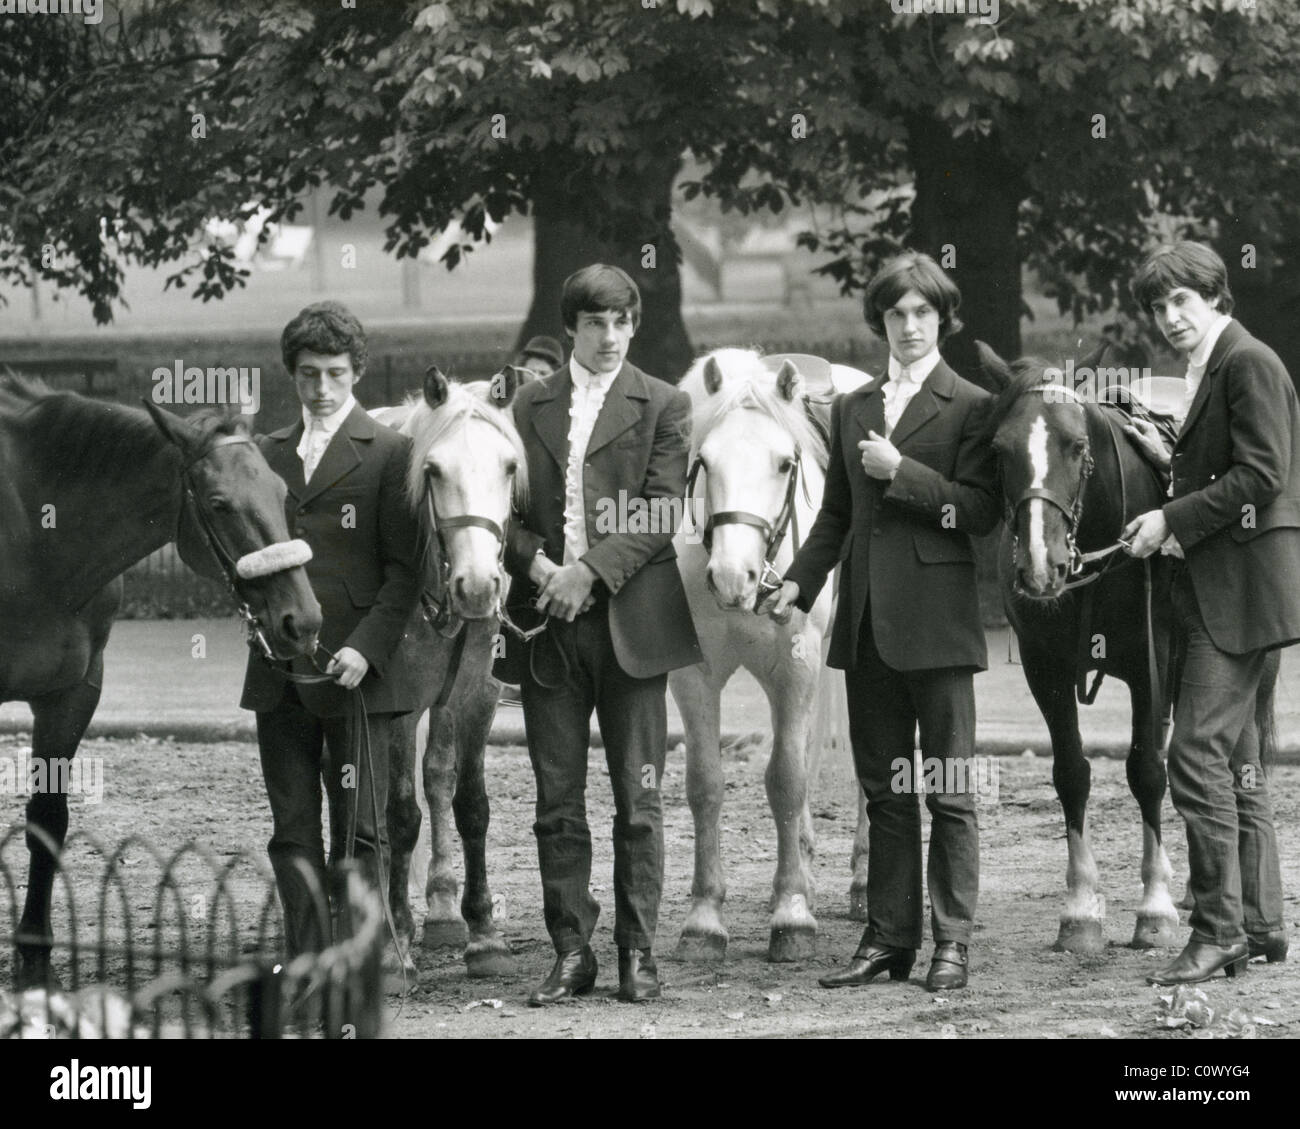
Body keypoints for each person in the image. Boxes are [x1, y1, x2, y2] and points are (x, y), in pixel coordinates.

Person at [765, 252, 999, 992]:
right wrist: (798, 585)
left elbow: (982, 512)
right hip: (865, 629)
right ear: (881, 322)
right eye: (895, 314)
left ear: (942, 319)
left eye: (921, 313)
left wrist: (905, 474)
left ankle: (951, 941)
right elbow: (835, 514)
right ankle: (889, 938)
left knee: (949, 790)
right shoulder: (855, 406)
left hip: (939, 627)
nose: (908, 326)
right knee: (886, 795)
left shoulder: (971, 403)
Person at [496, 264, 701, 1005]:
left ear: (634, 324)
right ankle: (571, 948)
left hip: (631, 625)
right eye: (593, 323)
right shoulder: (529, 404)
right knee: (557, 799)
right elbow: (502, 509)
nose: (609, 337)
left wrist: (588, 571)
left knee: (638, 798)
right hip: (549, 623)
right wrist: (541, 564)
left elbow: (659, 510)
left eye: (620, 322)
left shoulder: (664, 404)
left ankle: (637, 952)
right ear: (571, 329)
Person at [1123, 241, 1297, 984]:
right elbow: (1229, 467)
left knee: (1192, 754)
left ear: (1216, 296)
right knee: (1236, 761)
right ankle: (1260, 924)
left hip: (1240, 591)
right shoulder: (1216, 366)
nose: (1170, 318)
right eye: (1160, 308)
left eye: (1182, 301)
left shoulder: (1246, 361)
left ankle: (1217, 929)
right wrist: (1168, 465)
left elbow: (1264, 471)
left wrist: (1171, 519)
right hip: (1230, 587)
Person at [241, 301, 422, 965]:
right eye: (309, 374)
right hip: (280, 670)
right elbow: (249, 560)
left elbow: (407, 573)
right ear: (292, 374)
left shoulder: (392, 452)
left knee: (362, 829)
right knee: (291, 830)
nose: (321, 388)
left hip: (357, 675)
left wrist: (365, 648)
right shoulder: (265, 454)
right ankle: (306, 957)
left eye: (335, 374)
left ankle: (362, 957)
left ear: (358, 372)